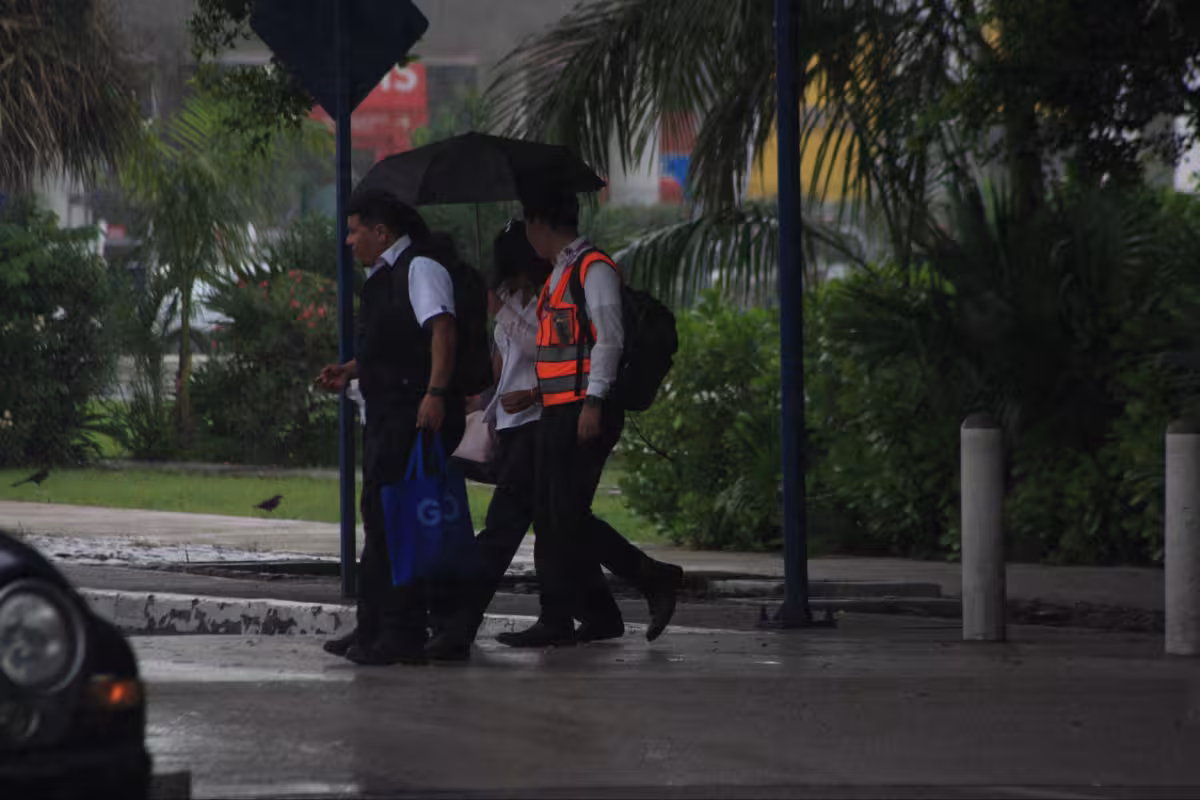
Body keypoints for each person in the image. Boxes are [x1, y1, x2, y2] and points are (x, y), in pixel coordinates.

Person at [427, 221, 682, 658]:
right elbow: (517, 361)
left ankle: (461, 624)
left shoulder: (574, 279)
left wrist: (587, 401)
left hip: (547, 418)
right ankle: (597, 606)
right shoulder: (549, 286)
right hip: (525, 422)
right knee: (556, 520)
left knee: (517, 524)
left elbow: (583, 348)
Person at [494, 195, 684, 649]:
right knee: (554, 514)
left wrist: (595, 403)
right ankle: (580, 613)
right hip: (559, 407)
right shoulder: (561, 271)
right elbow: (569, 349)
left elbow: (608, 341)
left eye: (527, 225)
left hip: (583, 410)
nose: (526, 237)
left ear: (543, 222)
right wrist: (539, 392)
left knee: (565, 514)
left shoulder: (592, 269)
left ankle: (647, 579)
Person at [316, 189, 467, 666]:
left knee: (397, 524)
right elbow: (391, 346)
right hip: (384, 414)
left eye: (355, 229)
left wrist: (435, 394)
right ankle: (372, 625)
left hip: (412, 415)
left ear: (381, 233)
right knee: (377, 520)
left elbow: (442, 331)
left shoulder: (420, 269)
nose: (348, 240)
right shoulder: (380, 280)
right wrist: (352, 370)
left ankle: (401, 632)